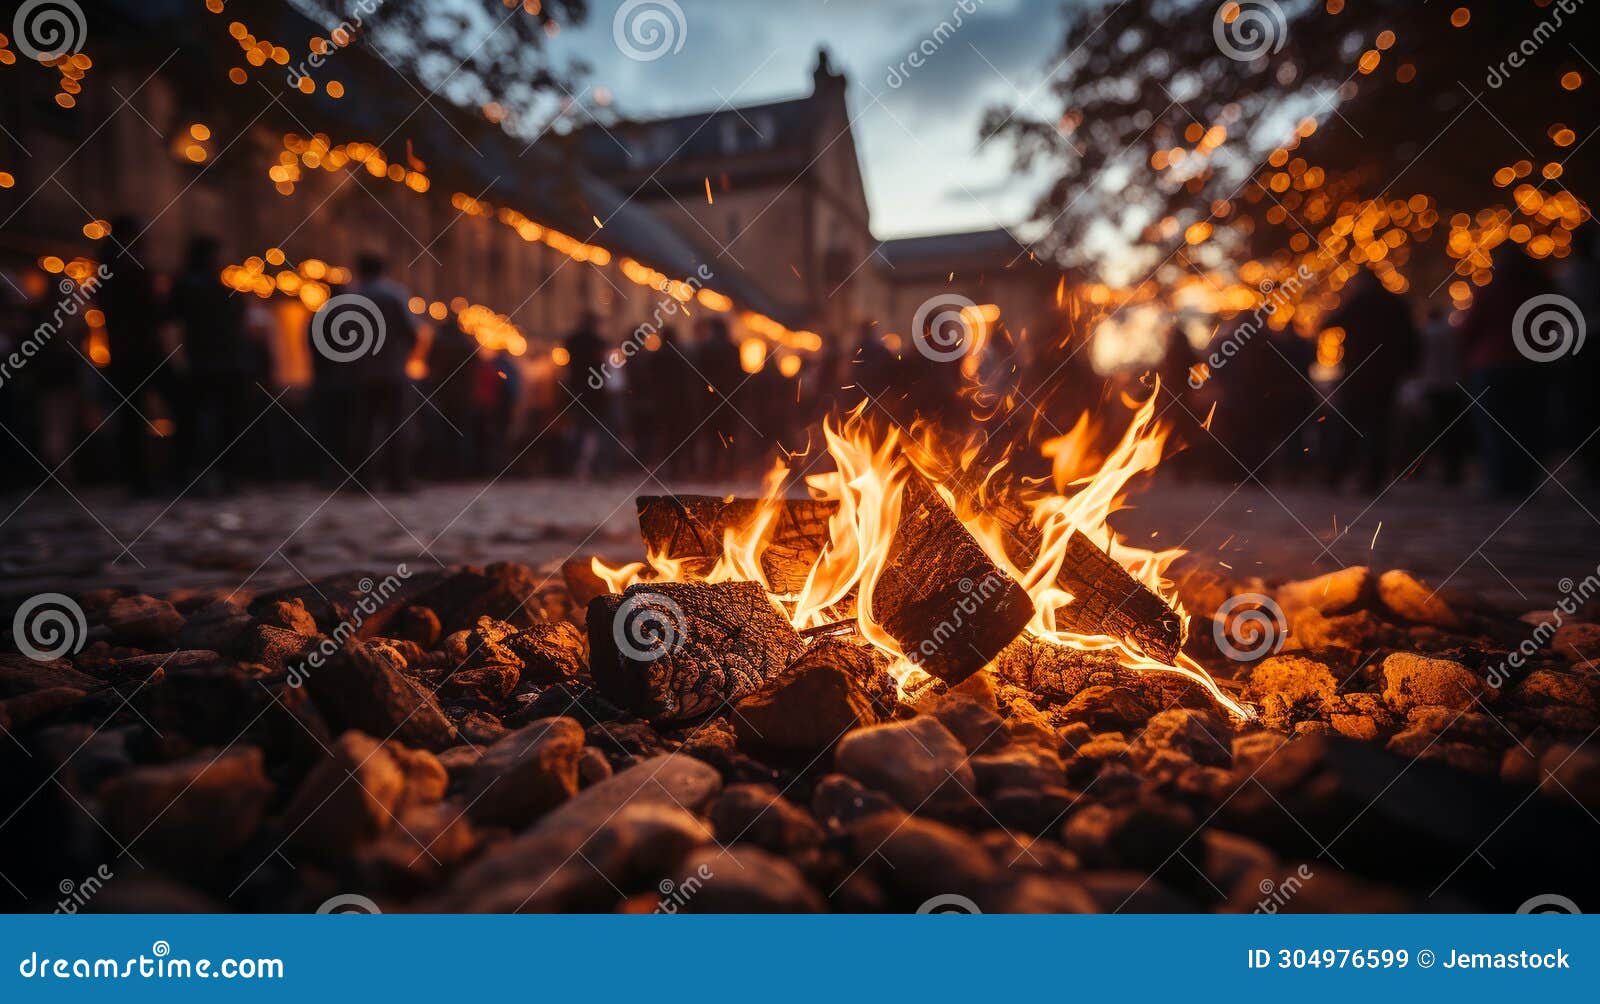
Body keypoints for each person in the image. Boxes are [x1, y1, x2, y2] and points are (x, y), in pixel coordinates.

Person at [97, 215, 187, 496]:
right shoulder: (125, 269)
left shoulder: (111, 269)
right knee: (164, 408)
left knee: (132, 416)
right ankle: (159, 475)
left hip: (129, 353)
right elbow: (152, 312)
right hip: (140, 352)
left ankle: (142, 478)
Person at [1321, 271, 1420, 493]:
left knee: (1349, 425)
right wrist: (1409, 368)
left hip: (1358, 374)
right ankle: (1372, 479)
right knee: (1380, 427)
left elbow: (1327, 324)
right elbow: (1412, 339)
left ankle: (1335, 475)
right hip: (1387, 375)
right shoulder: (1396, 304)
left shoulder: (1358, 302)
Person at [1460, 250, 1547, 496]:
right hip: (1531, 364)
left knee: (1495, 427)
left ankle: (1501, 481)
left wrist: (1464, 362)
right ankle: (1524, 481)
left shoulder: (1490, 290)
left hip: (1491, 365)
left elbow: (1470, 329)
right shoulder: (1540, 288)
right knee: (1528, 424)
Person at [171, 236, 253, 495]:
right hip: (217, 364)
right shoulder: (213, 288)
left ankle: (193, 474)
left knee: (195, 423)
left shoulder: (187, 285)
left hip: (205, 364)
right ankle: (224, 475)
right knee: (221, 424)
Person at [338, 253, 419, 493]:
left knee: (362, 427)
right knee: (396, 426)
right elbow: (411, 333)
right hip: (393, 371)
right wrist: (402, 357)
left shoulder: (351, 297)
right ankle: (398, 480)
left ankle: (361, 479)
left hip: (362, 373)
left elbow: (342, 337)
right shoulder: (395, 294)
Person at [562, 311, 610, 480]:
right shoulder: (598, 342)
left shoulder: (571, 341)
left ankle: (575, 464)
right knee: (596, 430)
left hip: (576, 389)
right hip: (594, 391)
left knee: (578, 429)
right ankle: (596, 466)